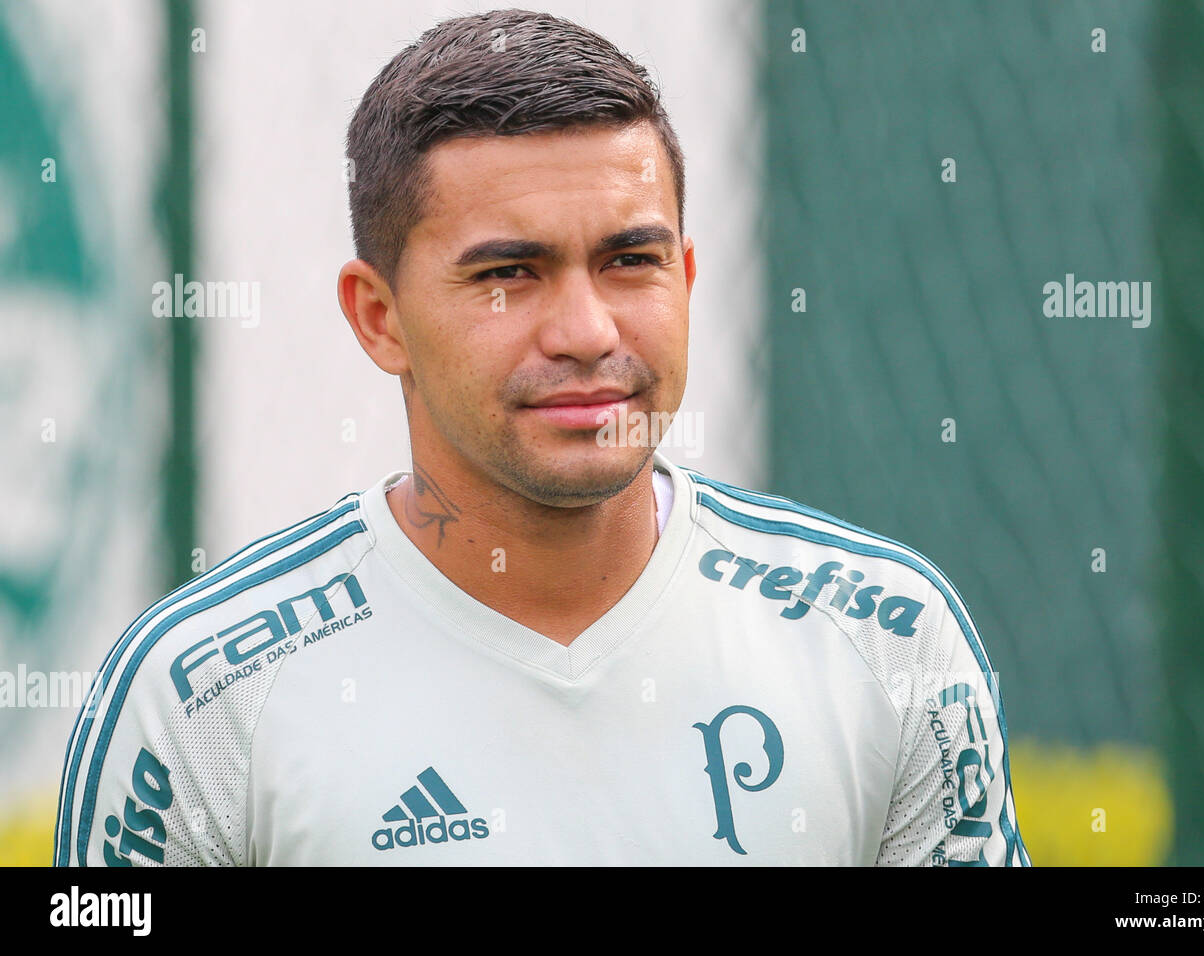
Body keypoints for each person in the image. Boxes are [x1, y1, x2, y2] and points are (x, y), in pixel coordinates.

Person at [54, 7, 1029, 866]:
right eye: (507, 274)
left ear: (686, 278)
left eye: (629, 260)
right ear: (379, 317)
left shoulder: (883, 638)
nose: (586, 332)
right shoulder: (202, 695)